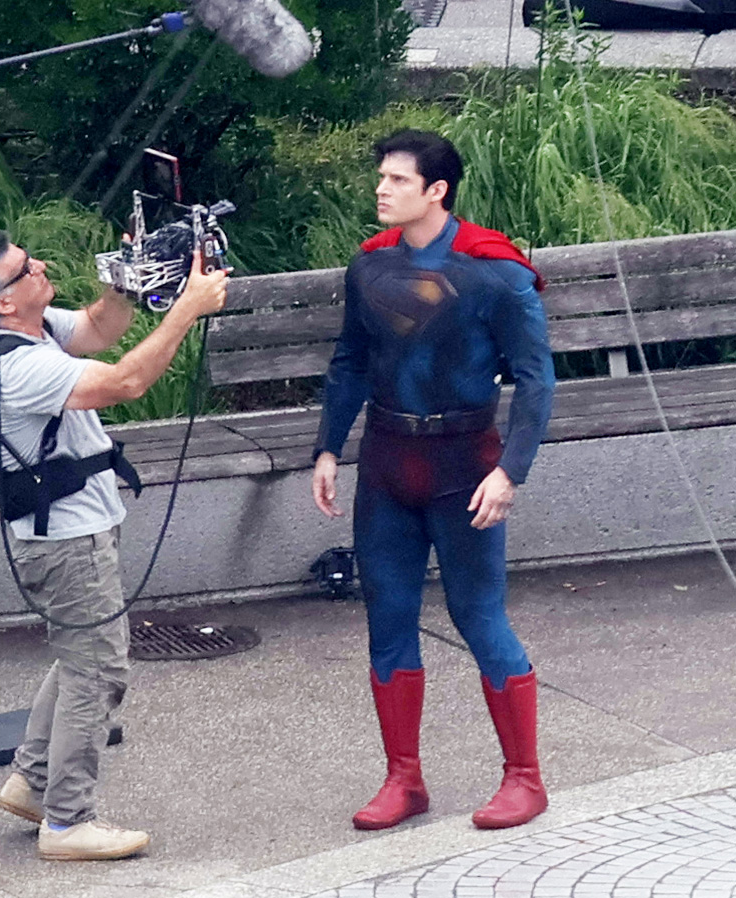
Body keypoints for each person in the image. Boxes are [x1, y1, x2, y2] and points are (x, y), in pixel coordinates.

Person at [0, 232, 227, 860]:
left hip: (71, 529)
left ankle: (33, 782)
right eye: (26, 269)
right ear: (2, 302)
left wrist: (124, 281)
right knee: (98, 670)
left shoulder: (31, 328)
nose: (41, 266)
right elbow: (127, 380)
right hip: (67, 541)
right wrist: (187, 307)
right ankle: (67, 822)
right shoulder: (19, 368)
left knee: (80, 658)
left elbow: (101, 328)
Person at [311, 130, 555, 831]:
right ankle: (403, 780)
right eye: (381, 177)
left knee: (478, 616)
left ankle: (525, 778)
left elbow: (536, 380)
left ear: (436, 190)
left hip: (464, 464)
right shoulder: (369, 265)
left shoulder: (494, 270)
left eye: (397, 179)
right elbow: (350, 361)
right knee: (387, 619)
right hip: (387, 461)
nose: (381, 189)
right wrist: (327, 449)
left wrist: (510, 471)